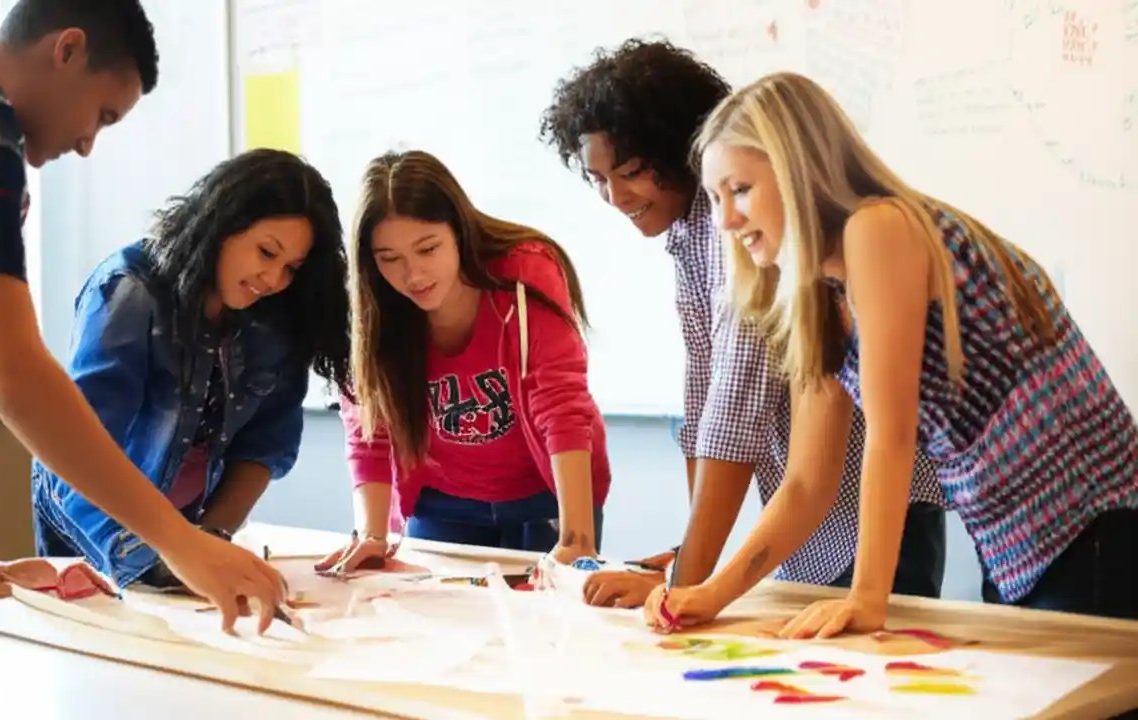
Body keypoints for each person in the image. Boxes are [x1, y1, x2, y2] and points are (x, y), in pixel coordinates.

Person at [0, 2, 282, 715]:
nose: (88, 144)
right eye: (104, 115)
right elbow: (15, 375)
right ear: (67, 50)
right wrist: (180, 540)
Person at [648, 70, 1138, 635]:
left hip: (1092, 522)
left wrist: (866, 598)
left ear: (799, 171)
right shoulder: (817, 294)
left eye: (739, 190)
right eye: (713, 198)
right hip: (1015, 545)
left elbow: (892, 429)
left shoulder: (878, 228)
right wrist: (711, 594)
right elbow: (808, 484)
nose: (725, 220)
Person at [539, 39, 947, 609]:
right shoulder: (695, 236)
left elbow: (737, 411)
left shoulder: (763, 238)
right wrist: (690, 567)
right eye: (598, 179)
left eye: (631, 171)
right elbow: (708, 405)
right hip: (808, 524)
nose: (615, 197)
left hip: (870, 523)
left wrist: (688, 580)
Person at [32, 149, 351, 588]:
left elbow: (263, 444)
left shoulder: (276, 314)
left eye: (291, 268)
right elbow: (78, 448)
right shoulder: (131, 292)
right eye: (266, 252)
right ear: (221, 225)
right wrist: (162, 555)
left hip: (185, 526)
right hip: (96, 524)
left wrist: (213, 537)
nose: (273, 278)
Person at [315, 150, 610, 574]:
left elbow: (561, 403)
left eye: (428, 248)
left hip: (545, 492)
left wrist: (577, 540)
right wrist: (373, 535)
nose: (413, 275)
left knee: (547, 622)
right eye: (389, 258)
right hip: (445, 500)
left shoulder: (524, 273)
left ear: (459, 231)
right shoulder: (372, 306)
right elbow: (369, 429)